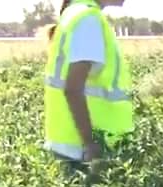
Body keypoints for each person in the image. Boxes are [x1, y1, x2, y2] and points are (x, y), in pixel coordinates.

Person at [43, 0, 134, 165]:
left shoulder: (75, 13)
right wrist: (90, 144)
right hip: (85, 153)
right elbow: (73, 89)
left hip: (72, 147)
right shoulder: (88, 19)